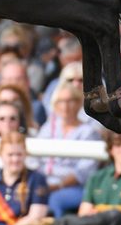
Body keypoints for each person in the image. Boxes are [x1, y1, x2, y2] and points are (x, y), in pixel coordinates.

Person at [34, 83, 99, 218]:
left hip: (74, 187)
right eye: (61, 101)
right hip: (45, 182)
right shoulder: (48, 127)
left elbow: (84, 171)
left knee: (55, 200)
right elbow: (36, 159)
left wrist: (57, 186)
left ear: (78, 103)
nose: (65, 106)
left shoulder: (88, 132)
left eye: (70, 101)